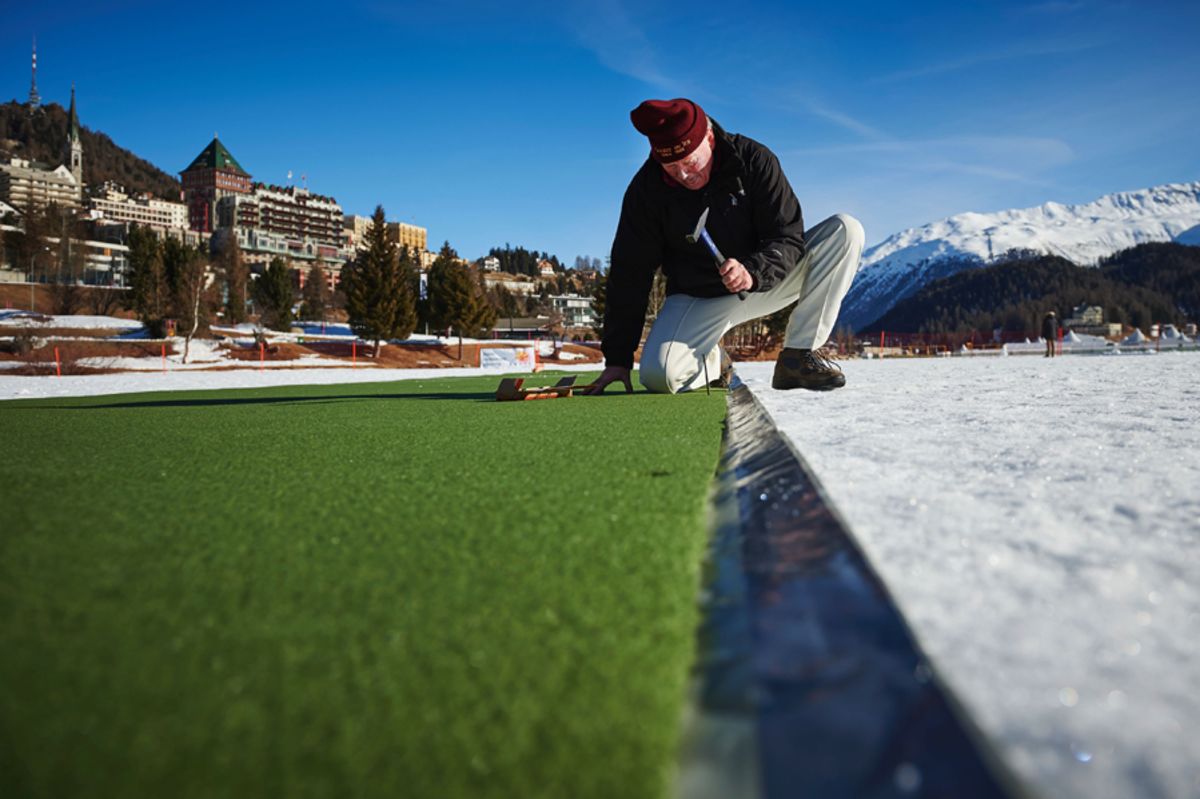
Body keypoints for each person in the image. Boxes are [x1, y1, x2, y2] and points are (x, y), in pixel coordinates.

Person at [586, 98, 864, 395]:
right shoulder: (646, 191)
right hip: (698, 297)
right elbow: (630, 274)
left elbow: (786, 236)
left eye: (690, 162)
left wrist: (754, 270)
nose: (683, 175)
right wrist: (617, 360)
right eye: (671, 167)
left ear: (708, 138)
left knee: (845, 230)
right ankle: (715, 361)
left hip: (763, 282)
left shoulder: (754, 159)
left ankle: (798, 354)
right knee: (660, 378)